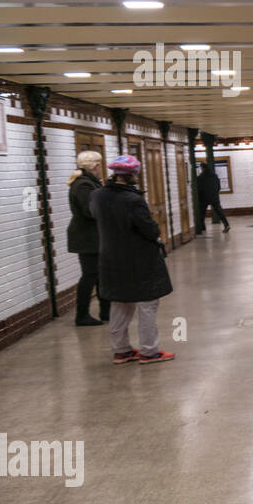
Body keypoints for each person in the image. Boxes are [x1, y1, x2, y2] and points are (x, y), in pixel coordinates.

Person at [90, 154, 176, 364]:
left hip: (110, 257)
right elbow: (147, 228)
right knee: (147, 304)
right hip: (139, 260)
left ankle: (121, 350)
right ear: (131, 175)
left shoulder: (97, 196)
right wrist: (156, 232)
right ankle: (149, 351)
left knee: (120, 304)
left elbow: (95, 217)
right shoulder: (133, 199)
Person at [66, 149, 109, 327]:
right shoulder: (84, 185)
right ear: (96, 166)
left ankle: (105, 311)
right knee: (90, 275)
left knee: (100, 275)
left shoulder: (88, 182)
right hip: (87, 237)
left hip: (91, 236)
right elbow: (90, 211)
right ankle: (82, 315)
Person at [197, 161, 231, 233]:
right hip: (214, 196)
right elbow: (218, 186)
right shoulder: (214, 175)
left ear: (202, 167)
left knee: (201, 213)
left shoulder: (200, 177)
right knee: (219, 211)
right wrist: (215, 193)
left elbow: (199, 188)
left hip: (204, 197)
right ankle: (226, 224)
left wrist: (199, 196)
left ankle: (202, 227)